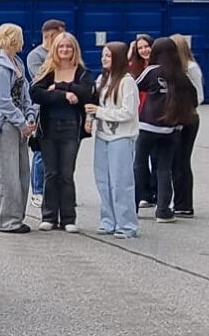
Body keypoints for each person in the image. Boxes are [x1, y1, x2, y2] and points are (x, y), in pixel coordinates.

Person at [30, 31, 94, 232]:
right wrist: (65, 94)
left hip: (71, 128)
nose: (65, 50)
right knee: (51, 173)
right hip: (48, 128)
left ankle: (68, 218)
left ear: (74, 49)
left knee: (66, 173)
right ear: (55, 49)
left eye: (68, 47)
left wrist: (57, 87)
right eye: (61, 46)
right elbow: (36, 94)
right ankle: (48, 216)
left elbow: (86, 93)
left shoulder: (82, 71)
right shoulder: (47, 70)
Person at [135, 38, 195, 222]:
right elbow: (194, 99)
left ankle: (134, 204)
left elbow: (134, 86)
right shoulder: (181, 75)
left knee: (139, 164)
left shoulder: (152, 71)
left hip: (147, 126)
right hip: (171, 129)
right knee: (164, 169)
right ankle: (163, 210)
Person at [0, 25, 35, 235]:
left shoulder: (17, 62)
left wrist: (30, 115)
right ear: (13, 38)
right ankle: (6, 220)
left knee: (22, 173)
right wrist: (22, 123)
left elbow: (25, 93)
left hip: (19, 122)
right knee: (7, 175)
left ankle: (17, 216)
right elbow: (3, 101)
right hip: (5, 125)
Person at [89, 41, 141, 237]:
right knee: (103, 180)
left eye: (109, 56)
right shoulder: (102, 79)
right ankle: (108, 220)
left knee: (121, 182)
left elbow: (128, 112)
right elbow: (93, 102)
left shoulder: (127, 81)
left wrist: (100, 112)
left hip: (122, 136)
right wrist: (91, 116)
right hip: (102, 136)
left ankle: (127, 224)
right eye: (103, 55)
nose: (104, 59)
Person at [25, 21, 66, 209]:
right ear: (50, 36)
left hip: (63, 111)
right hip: (42, 110)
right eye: (59, 36)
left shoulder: (63, 53)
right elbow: (42, 80)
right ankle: (38, 191)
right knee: (41, 152)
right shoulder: (36, 56)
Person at [170, 33, 204, 217]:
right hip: (173, 120)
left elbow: (199, 96)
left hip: (187, 119)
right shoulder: (173, 69)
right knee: (174, 161)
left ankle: (184, 203)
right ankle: (177, 200)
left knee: (182, 161)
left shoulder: (191, 68)